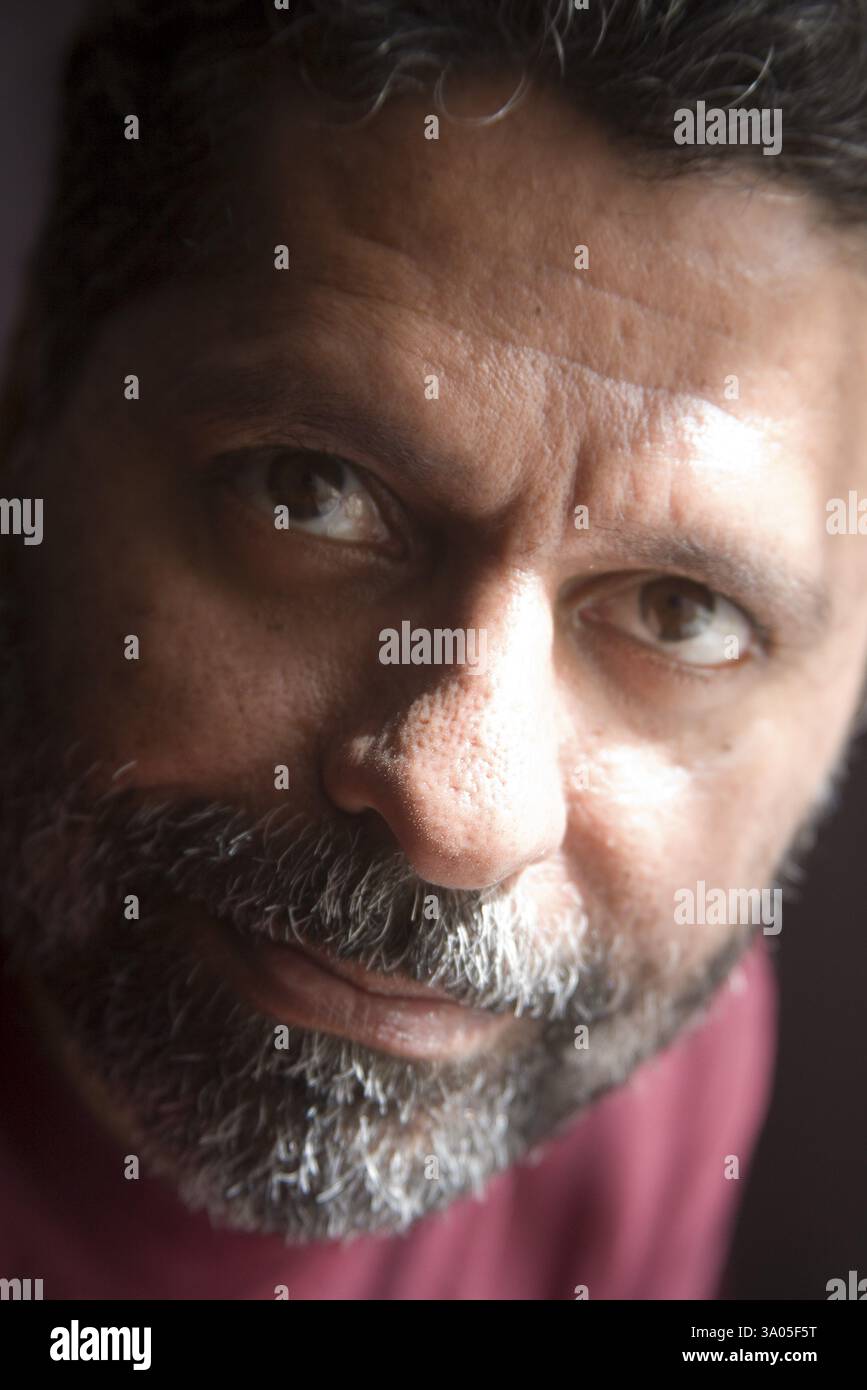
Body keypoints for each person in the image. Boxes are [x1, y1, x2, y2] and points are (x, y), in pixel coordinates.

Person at [1, 0, 865, 1301]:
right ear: (29, 412)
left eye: (682, 612)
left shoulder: (652, 1077)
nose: (458, 807)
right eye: (309, 490)